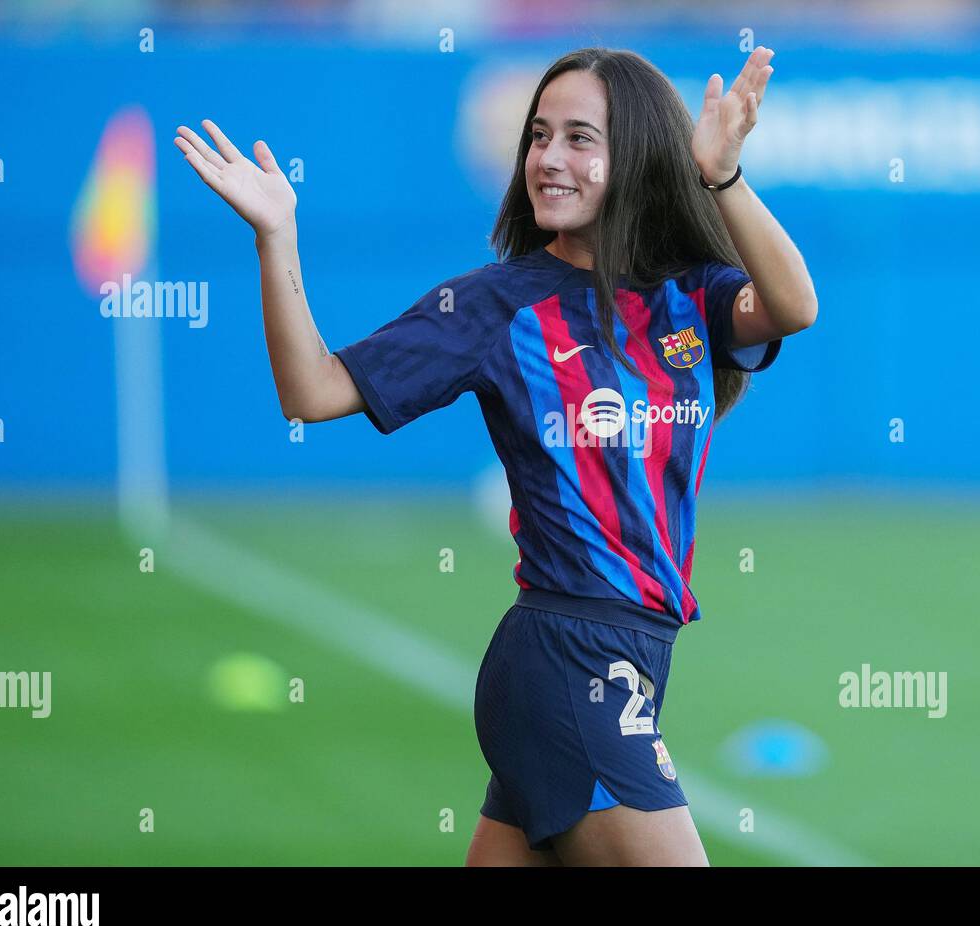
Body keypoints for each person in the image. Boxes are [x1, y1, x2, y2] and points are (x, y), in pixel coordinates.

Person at [174, 44, 817, 867]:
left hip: (625, 661)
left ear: (640, 157)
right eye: (539, 136)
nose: (549, 158)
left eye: (581, 138)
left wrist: (722, 177)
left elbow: (794, 305)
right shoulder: (492, 307)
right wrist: (277, 235)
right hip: (568, 658)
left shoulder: (689, 293)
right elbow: (314, 390)